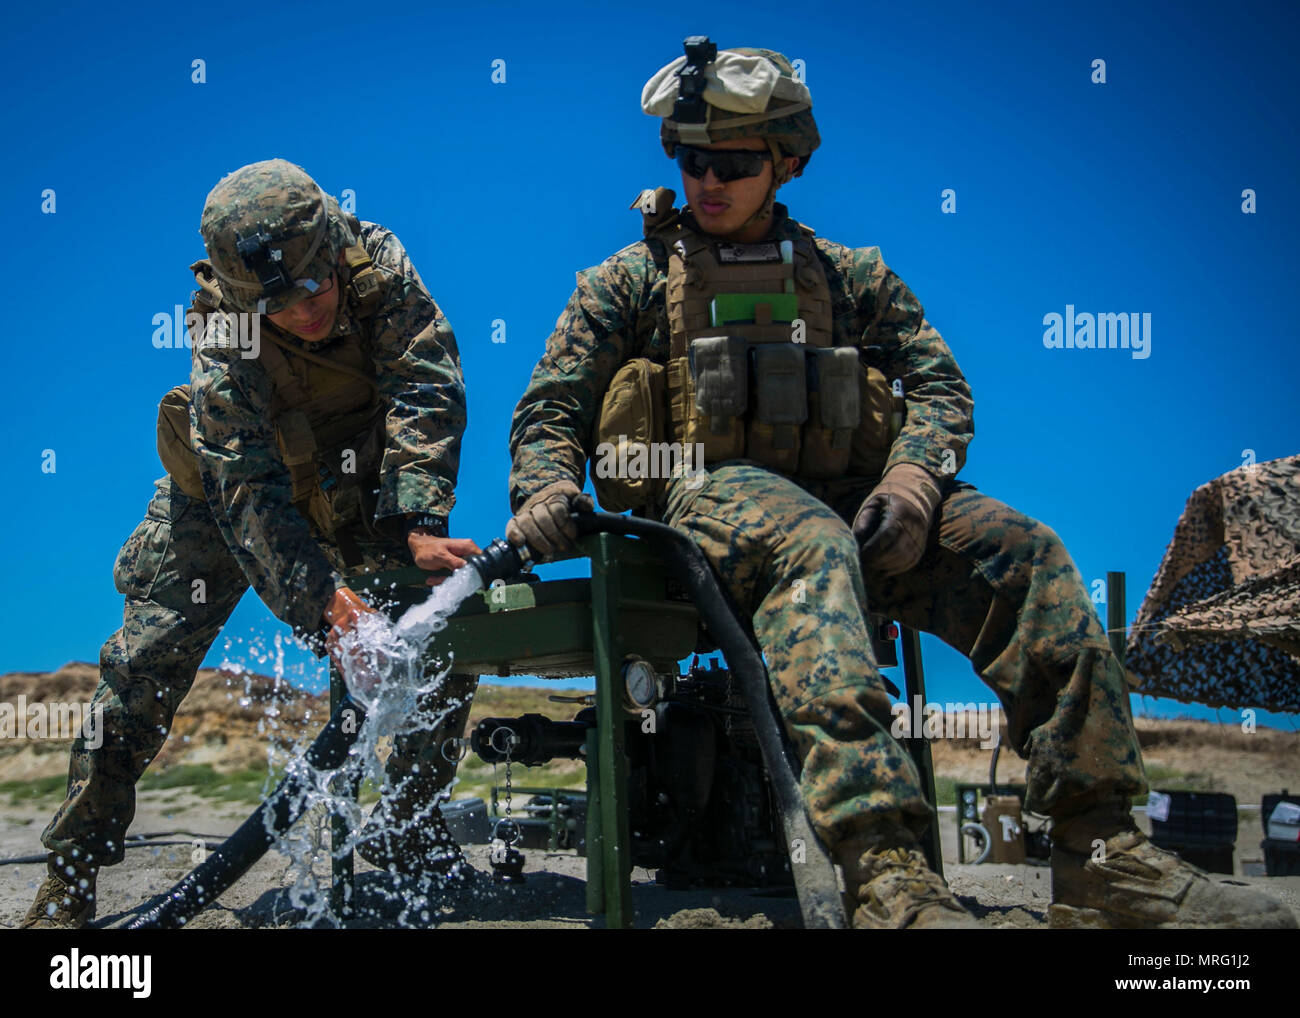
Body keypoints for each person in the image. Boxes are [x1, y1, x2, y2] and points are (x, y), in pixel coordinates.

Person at [506, 40, 1297, 929]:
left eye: (734, 163)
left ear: (787, 163)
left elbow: (941, 385)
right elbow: (550, 408)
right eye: (692, 162)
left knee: (1024, 553)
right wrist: (543, 490)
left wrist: (917, 482)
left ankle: (1106, 859)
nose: (708, 181)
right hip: (710, 505)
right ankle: (888, 876)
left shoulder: (850, 279)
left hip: (864, 509)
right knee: (810, 541)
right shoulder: (632, 280)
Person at [24, 159, 478, 929]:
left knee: (447, 619)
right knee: (142, 665)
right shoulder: (222, 326)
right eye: (272, 300)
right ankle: (69, 876)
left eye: (311, 287)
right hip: (224, 493)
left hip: (359, 481)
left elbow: (424, 387)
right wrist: (327, 607)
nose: (299, 311)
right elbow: (247, 489)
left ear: (334, 249)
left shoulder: (380, 266)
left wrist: (419, 523)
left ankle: (408, 832)